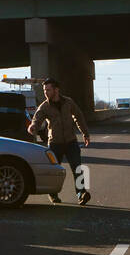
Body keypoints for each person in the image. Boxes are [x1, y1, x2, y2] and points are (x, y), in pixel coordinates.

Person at [27, 77, 91, 205]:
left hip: (71, 141)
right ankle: (53, 194)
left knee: (78, 168)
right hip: (55, 143)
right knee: (53, 171)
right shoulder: (44, 106)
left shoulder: (68, 102)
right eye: (45, 90)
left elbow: (78, 116)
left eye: (48, 90)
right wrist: (33, 126)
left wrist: (85, 133)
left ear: (56, 90)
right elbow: (37, 119)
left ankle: (81, 193)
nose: (46, 92)